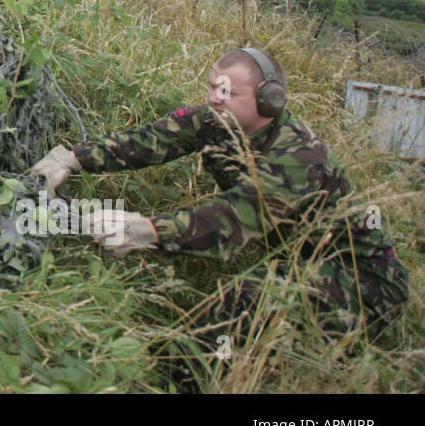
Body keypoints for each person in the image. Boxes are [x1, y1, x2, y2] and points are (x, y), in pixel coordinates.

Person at [30, 48, 408, 345]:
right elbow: (148, 141)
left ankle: (183, 373)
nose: (214, 98)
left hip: (362, 278)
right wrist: (71, 159)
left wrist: (144, 231)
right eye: (212, 86)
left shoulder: (299, 160)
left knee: (240, 299)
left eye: (228, 92)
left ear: (268, 101)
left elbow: (229, 222)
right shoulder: (216, 122)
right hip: (295, 253)